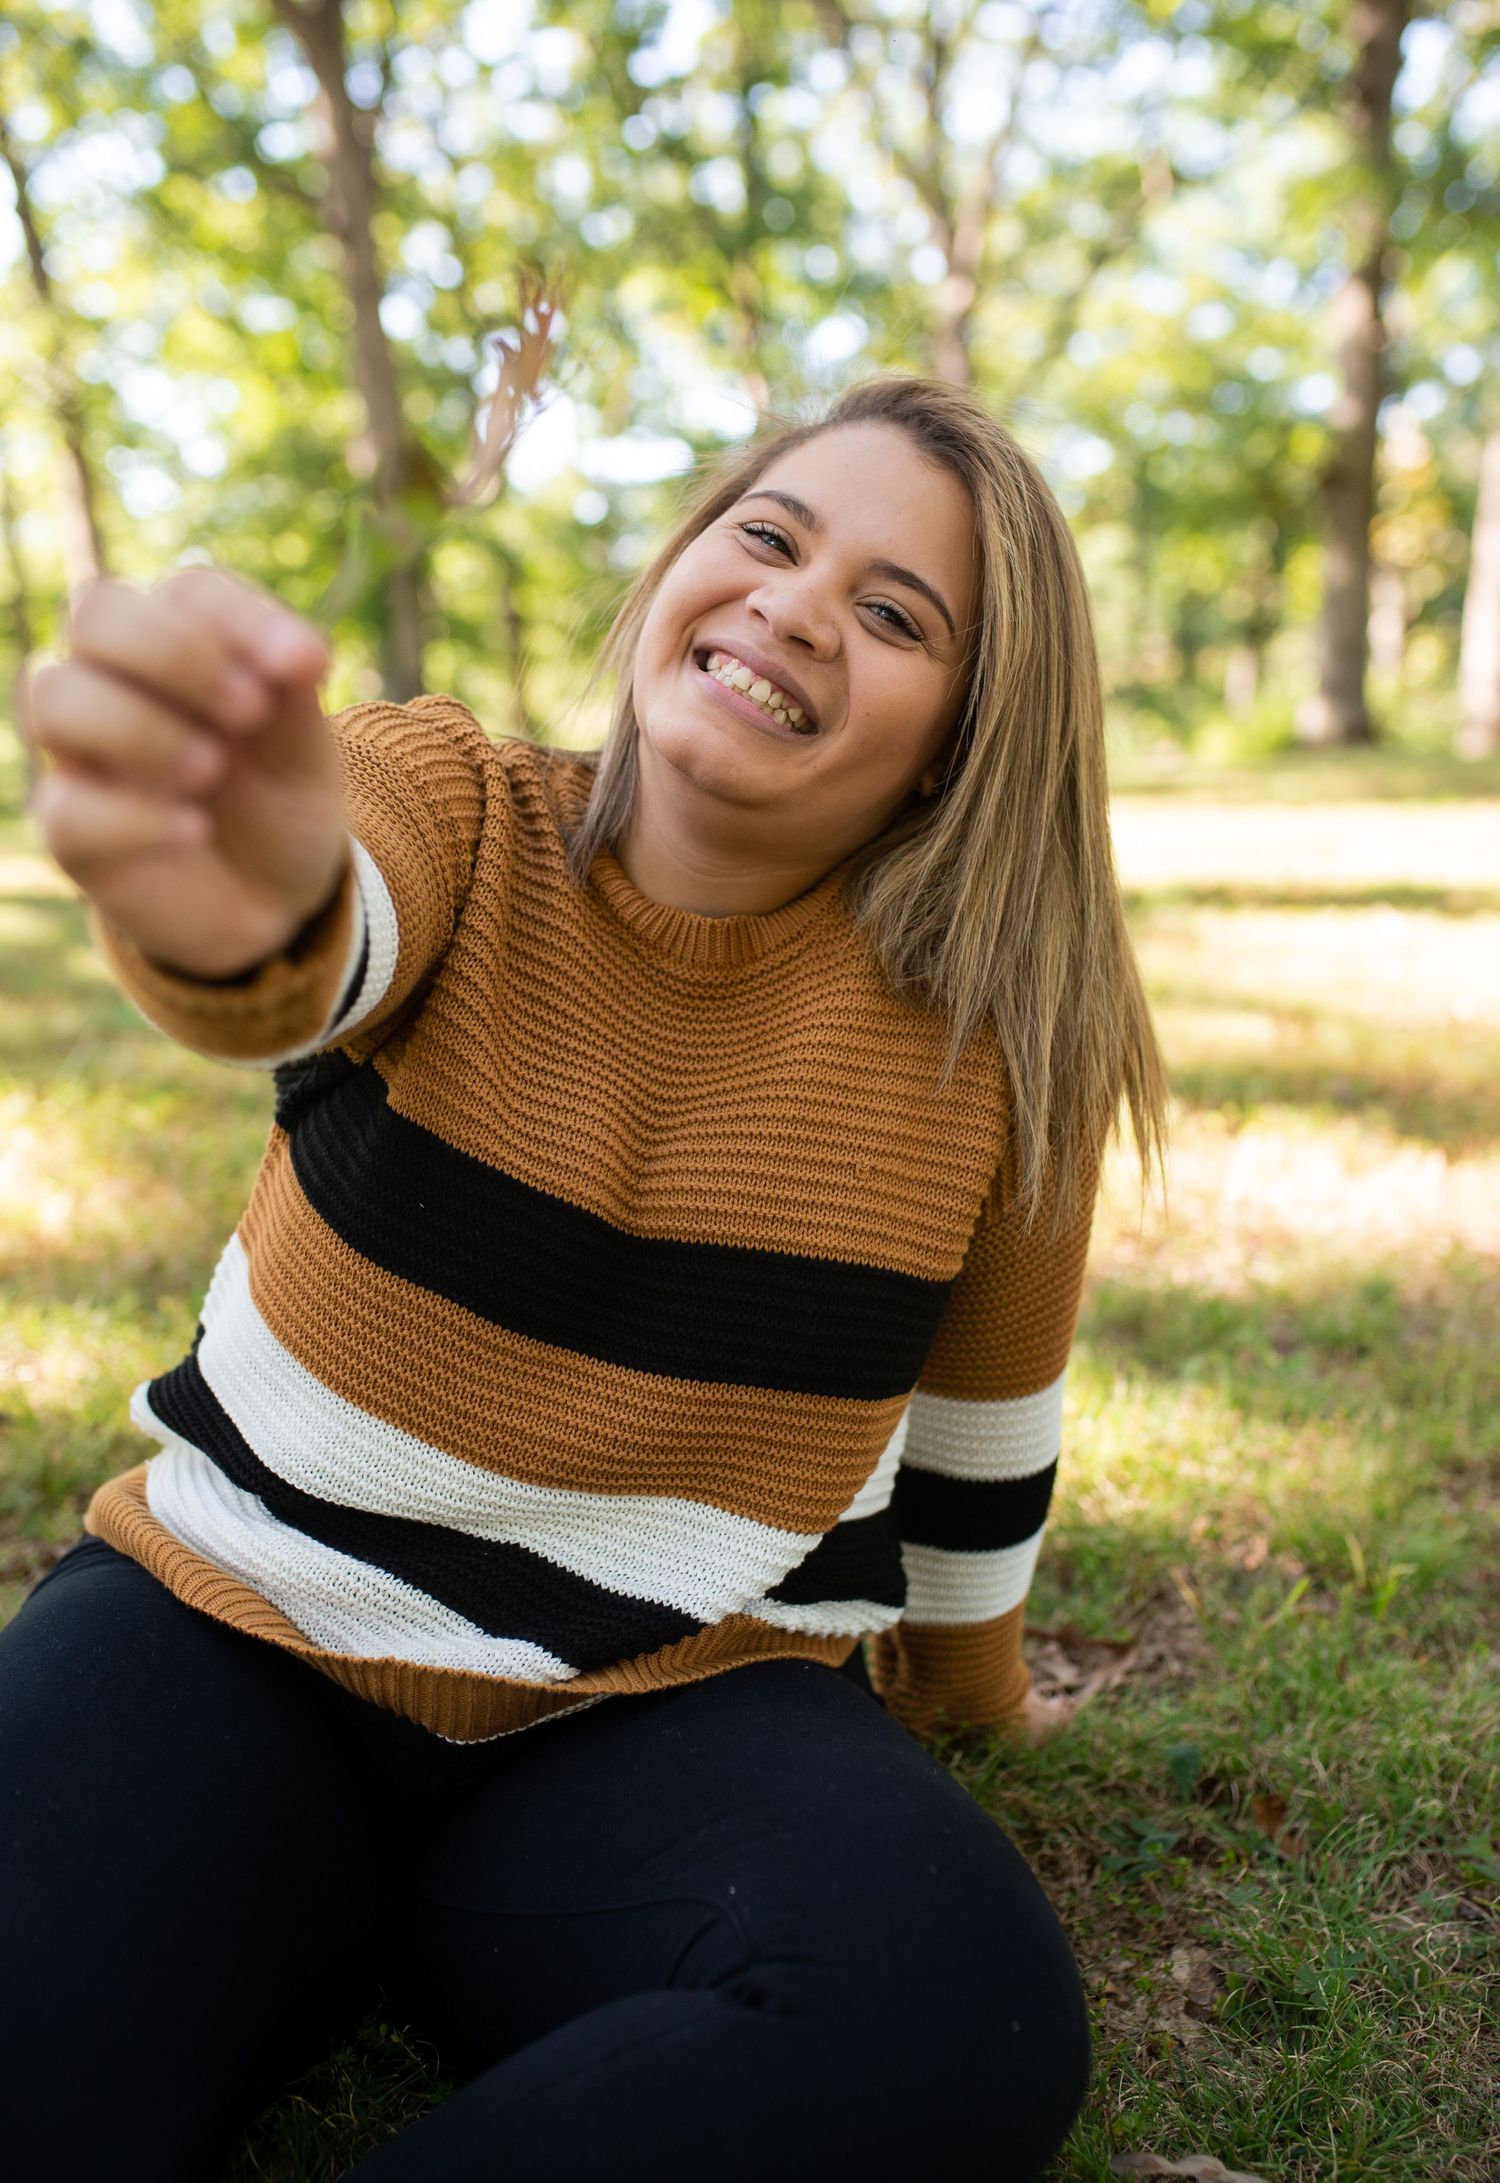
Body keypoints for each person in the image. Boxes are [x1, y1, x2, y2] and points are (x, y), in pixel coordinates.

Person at [3, 374, 1165, 2181]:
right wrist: (231, 887)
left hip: (667, 1724)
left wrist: (978, 1696)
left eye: (893, 611)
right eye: (769, 538)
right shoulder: (450, 799)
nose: (793, 602)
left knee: (951, 2022)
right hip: (231, 1641)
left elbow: (981, 1426)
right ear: (684, 563)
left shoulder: (992, 1053)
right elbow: (309, 930)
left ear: (958, 737)